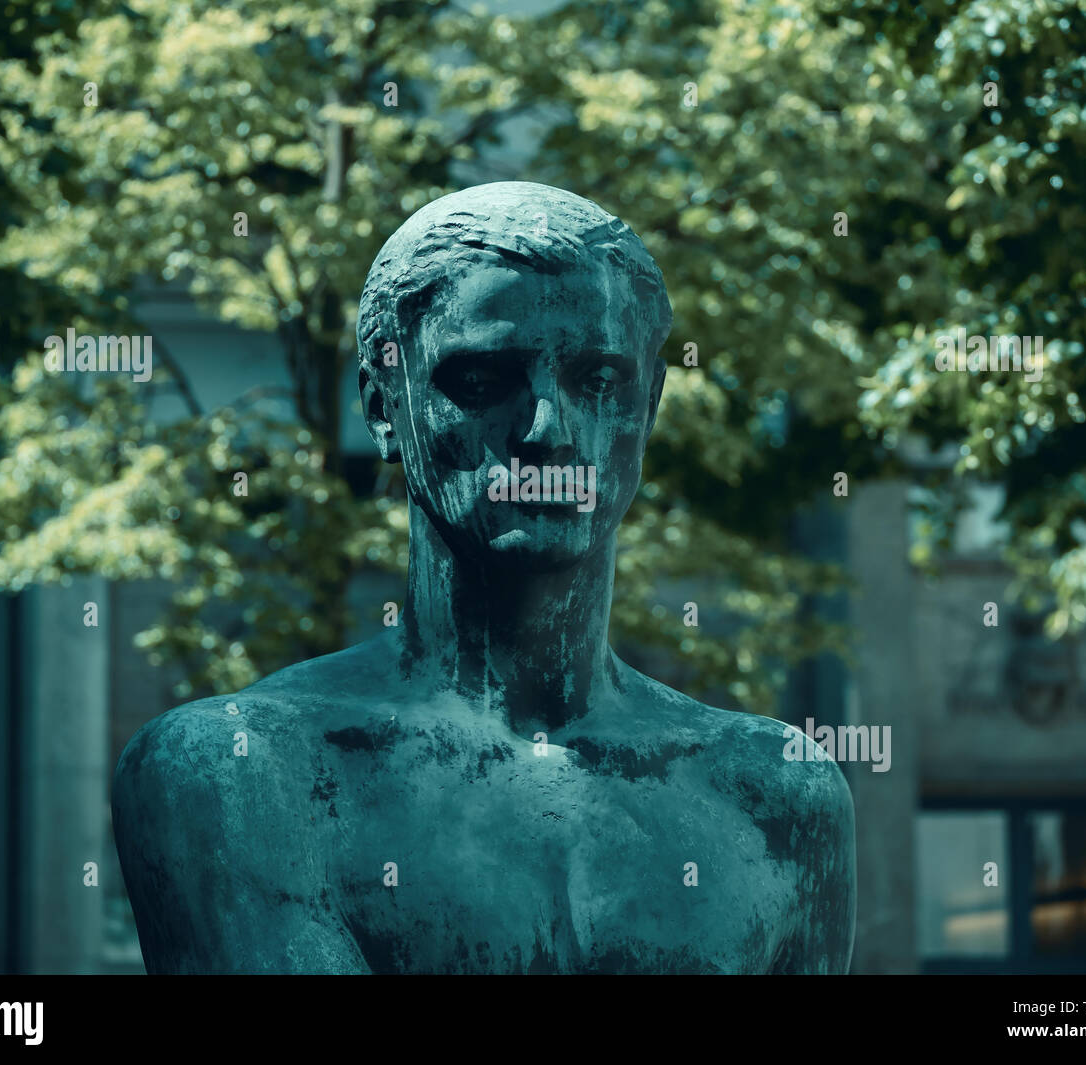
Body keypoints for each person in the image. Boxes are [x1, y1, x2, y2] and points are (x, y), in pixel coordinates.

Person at [112, 181, 855, 974]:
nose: (548, 430)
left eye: (599, 380)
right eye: (481, 380)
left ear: (651, 405)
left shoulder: (778, 796)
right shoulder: (240, 772)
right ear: (383, 403)